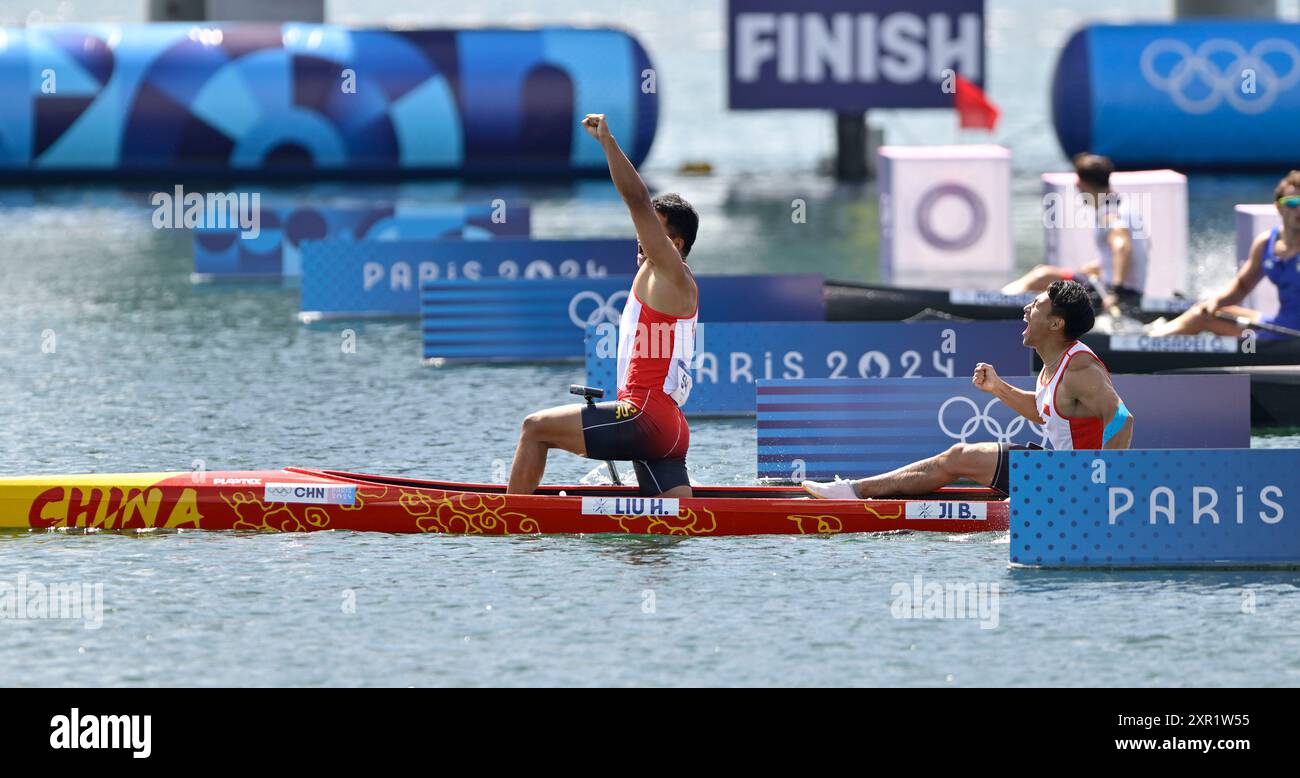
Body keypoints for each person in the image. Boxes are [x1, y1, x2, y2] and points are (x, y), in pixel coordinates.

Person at [506, 114, 699, 497]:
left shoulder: (669, 272)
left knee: (534, 428)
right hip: (670, 429)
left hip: (643, 415)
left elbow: (636, 199)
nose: (640, 239)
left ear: (674, 245)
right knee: (674, 532)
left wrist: (607, 142)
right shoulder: (677, 282)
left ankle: (509, 524)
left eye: (651, 232)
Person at [802, 280, 1133, 500]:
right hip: (1057, 472)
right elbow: (1044, 411)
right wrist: (998, 388)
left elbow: (1121, 418)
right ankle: (854, 490)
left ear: (1056, 323)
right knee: (957, 456)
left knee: (959, 457)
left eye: (1034, 306)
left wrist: (1099, 487)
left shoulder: (1079, 368)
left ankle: (853, 492)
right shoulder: (1055, 363)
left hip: (1073, 483)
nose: (1025, 310)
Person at [1149, 170, 1300, 338]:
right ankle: (1145, 340)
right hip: (1280, 327)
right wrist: (1215, 302)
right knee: (1203, 313)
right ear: (1279, 207)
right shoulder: (1265, 243)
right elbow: (1241, 286)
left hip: (1294, 338)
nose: (1299, 209)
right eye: (1293, 202)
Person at [1001, 153, 1149, 316]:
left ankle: (995, 303)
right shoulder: (1125, 207)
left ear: (1081, 183)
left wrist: (1116, 292)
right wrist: (1096, 268)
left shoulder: (1110, 213)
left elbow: (1122, 247)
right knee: (1052, 277)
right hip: (1126, 291)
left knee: (1042, 275)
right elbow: (1135, 251)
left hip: (1113, 295)